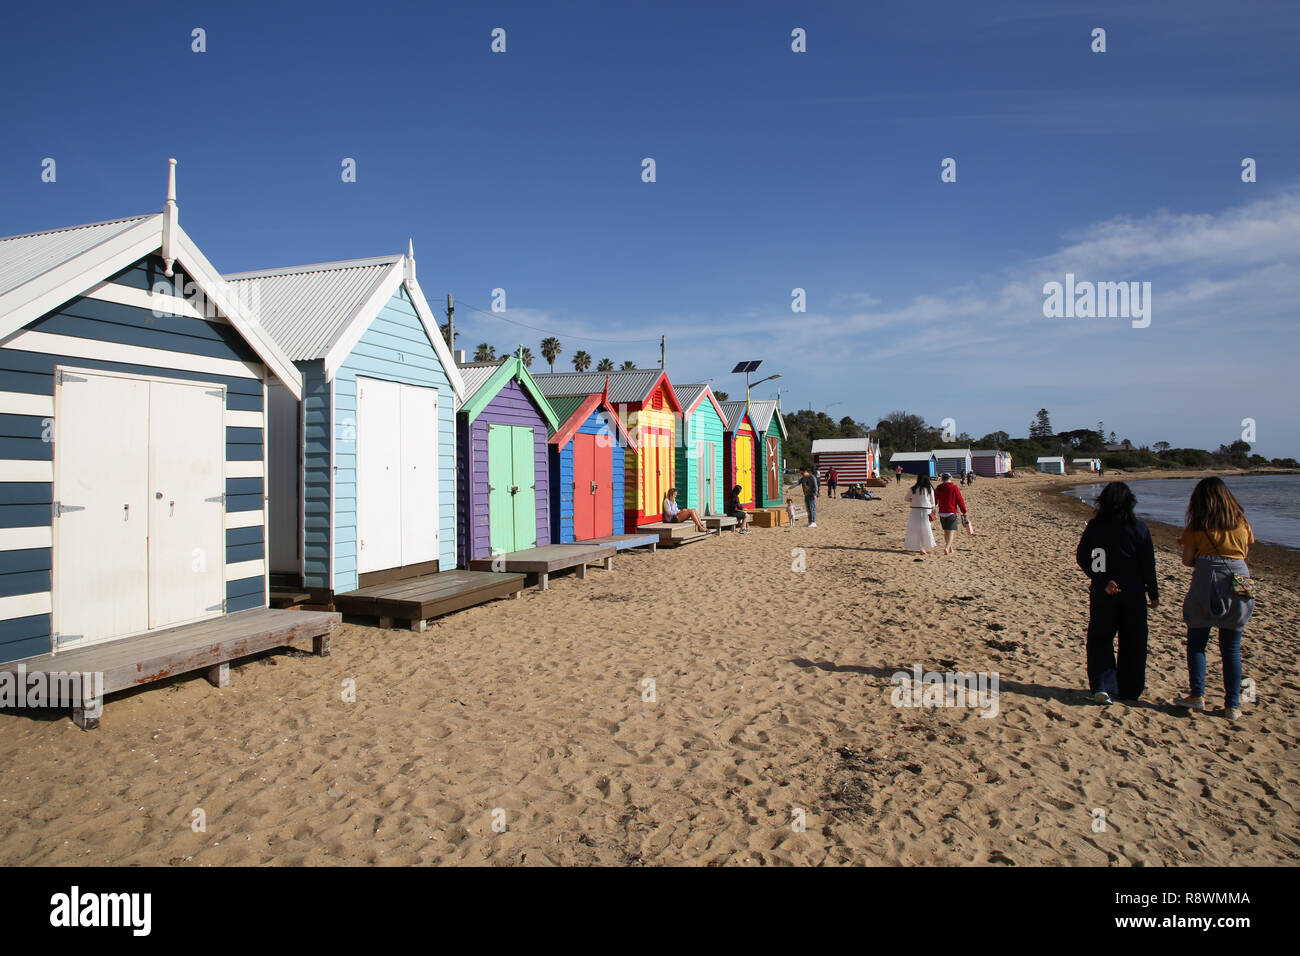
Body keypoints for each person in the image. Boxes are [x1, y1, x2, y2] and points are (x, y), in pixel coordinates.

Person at [1174, 478, 1255, 721]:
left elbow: (1187, 560)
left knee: (1197, 642)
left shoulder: (1197, 526)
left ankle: (1197, 694)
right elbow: (1245, 551)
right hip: (1240, 578)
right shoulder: (1241, 523)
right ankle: (1232, 705)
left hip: (1207, 579)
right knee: (1231, 648)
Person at [1074, 482, 1159, 704]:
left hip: (1104, 592)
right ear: (1129, 503)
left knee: (1100, 639)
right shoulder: (1139, 528)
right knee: (1134, 641)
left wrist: (1100, 579)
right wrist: (1153, 592)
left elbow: (1083, 556)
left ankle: (1103, 685)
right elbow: (1148, 564)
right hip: (1133, 592)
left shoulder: (1095, 527)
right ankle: (1130, 690)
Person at [933, 472, 969, 555]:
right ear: (950, 478)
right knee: (951, 531)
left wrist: (933, 508)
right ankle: (947, 547)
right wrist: (964, 511)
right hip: (951, 512)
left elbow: (935, 500)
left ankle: (950, 548)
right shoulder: (954, 487)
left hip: (942, 512)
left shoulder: (939, 487)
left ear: (942, 479)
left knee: (946, 532)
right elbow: (960, 500)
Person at [904, 474, 936, 554]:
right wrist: (934, 510)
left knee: (915, 528)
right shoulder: (929, 489)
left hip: (915, 510)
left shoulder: (913, 488)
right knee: (926, 528)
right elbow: (933, 502)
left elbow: (906, 498)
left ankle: (919, 546)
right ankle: (924, 547)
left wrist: (914, 500)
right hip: (926, 510)